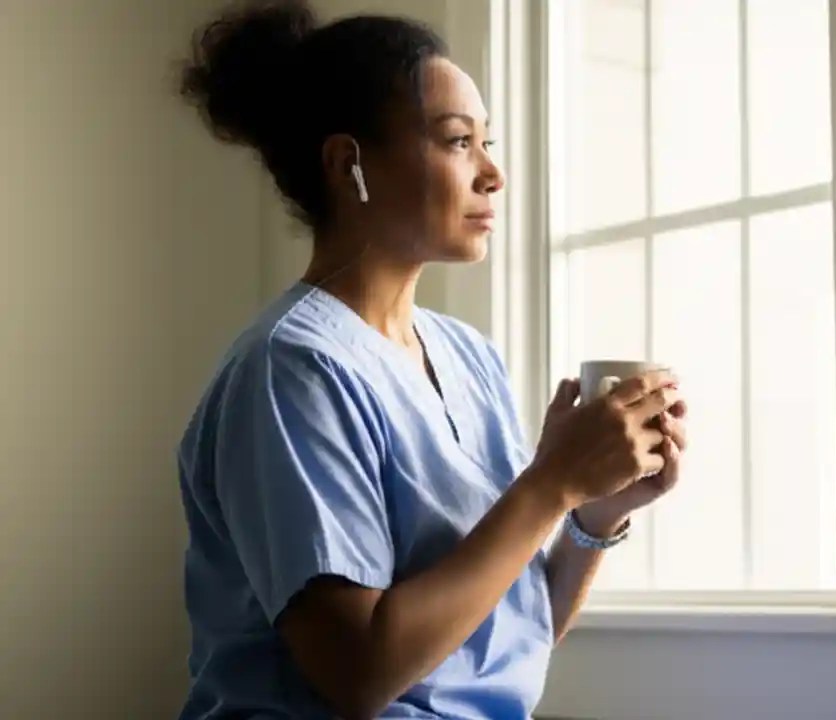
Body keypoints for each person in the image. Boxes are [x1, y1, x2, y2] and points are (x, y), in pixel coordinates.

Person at [173, 2, 687, 718]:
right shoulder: (291, 371)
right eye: (457, 142)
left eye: (488, 142)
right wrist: (547, 484)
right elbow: (357, 674)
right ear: (347, 163)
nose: (493, 173)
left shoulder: (469, 357)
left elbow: (504, 637)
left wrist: (592, 511)